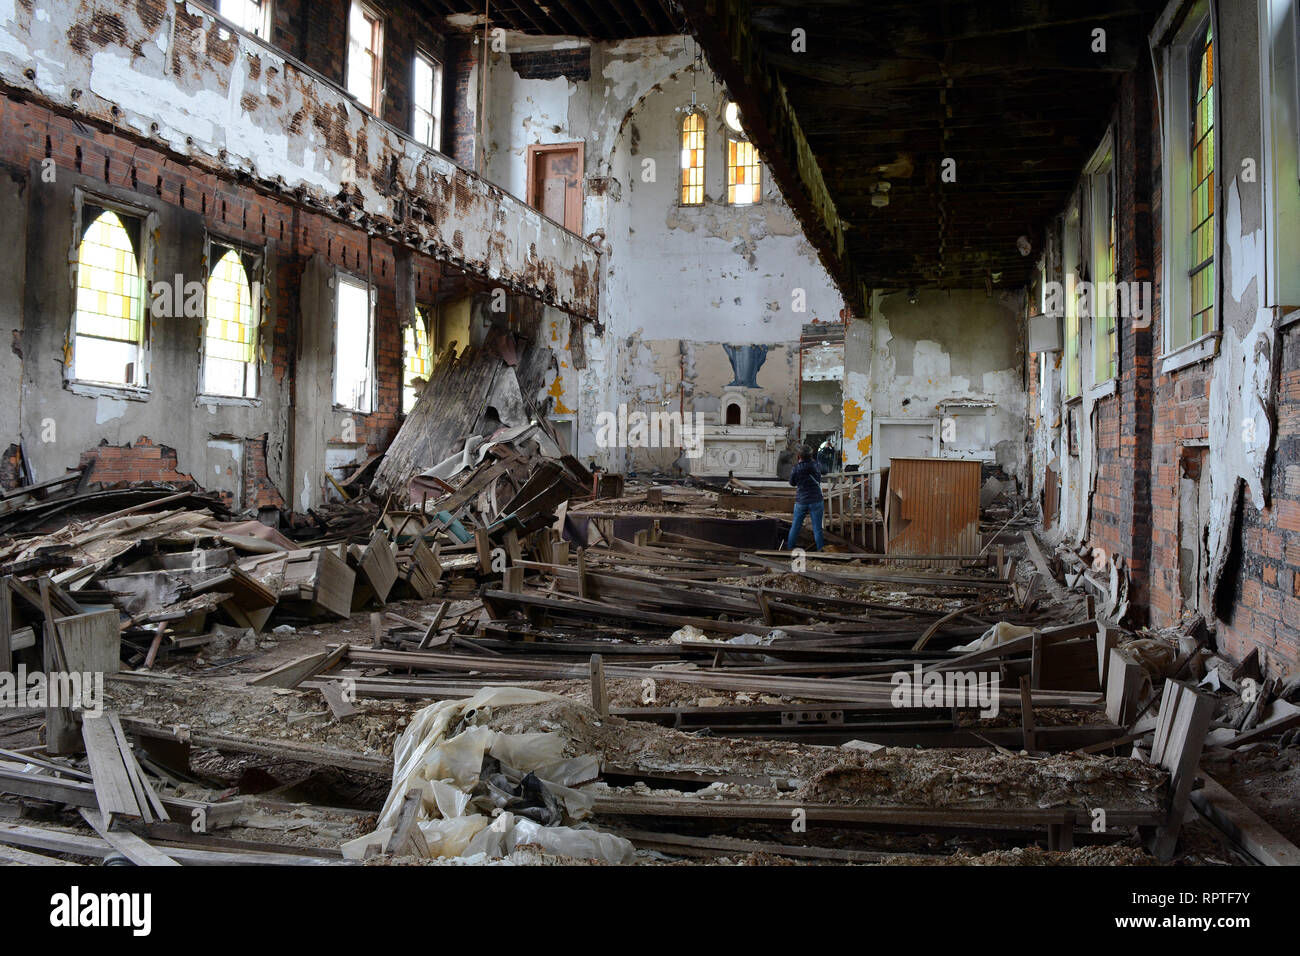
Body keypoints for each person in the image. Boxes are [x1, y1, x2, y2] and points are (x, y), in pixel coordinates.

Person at [786, 445, 825, 551]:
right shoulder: (816, 465)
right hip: (816, 499)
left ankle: (790, 548)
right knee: (817, 528)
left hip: (801, 501)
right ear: (811, 455)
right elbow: (824, 470)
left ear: (799, 456)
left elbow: (792, 483)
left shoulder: (796, 468)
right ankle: (820, 550)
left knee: (795, 526)